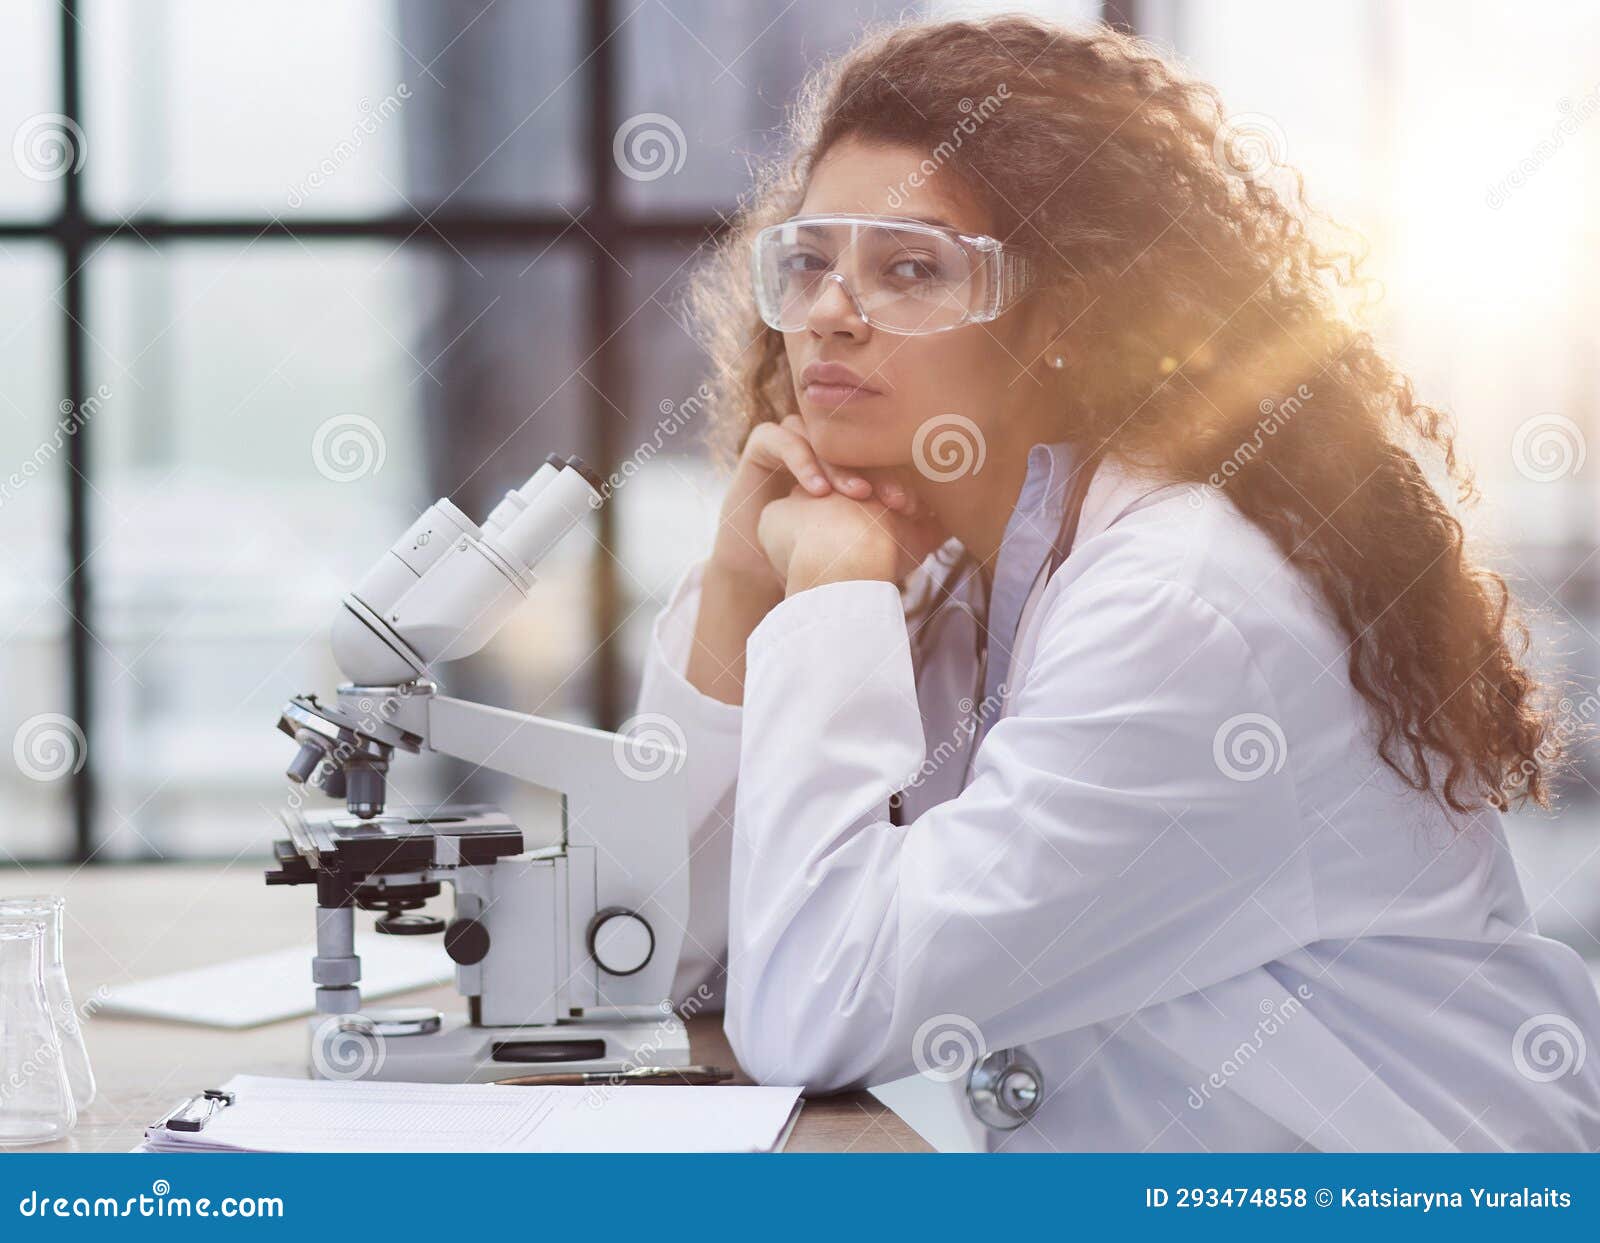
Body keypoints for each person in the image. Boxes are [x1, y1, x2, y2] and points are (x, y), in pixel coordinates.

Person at [632, 14, 1600, 1150]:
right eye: (810, 263)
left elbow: (817, 1011)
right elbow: (654, 955)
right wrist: (741, 586)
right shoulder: (959, 578)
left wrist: (833, 588)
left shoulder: (1177, 604)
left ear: (1061, 316)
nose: (832, 314)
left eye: (909, 268)